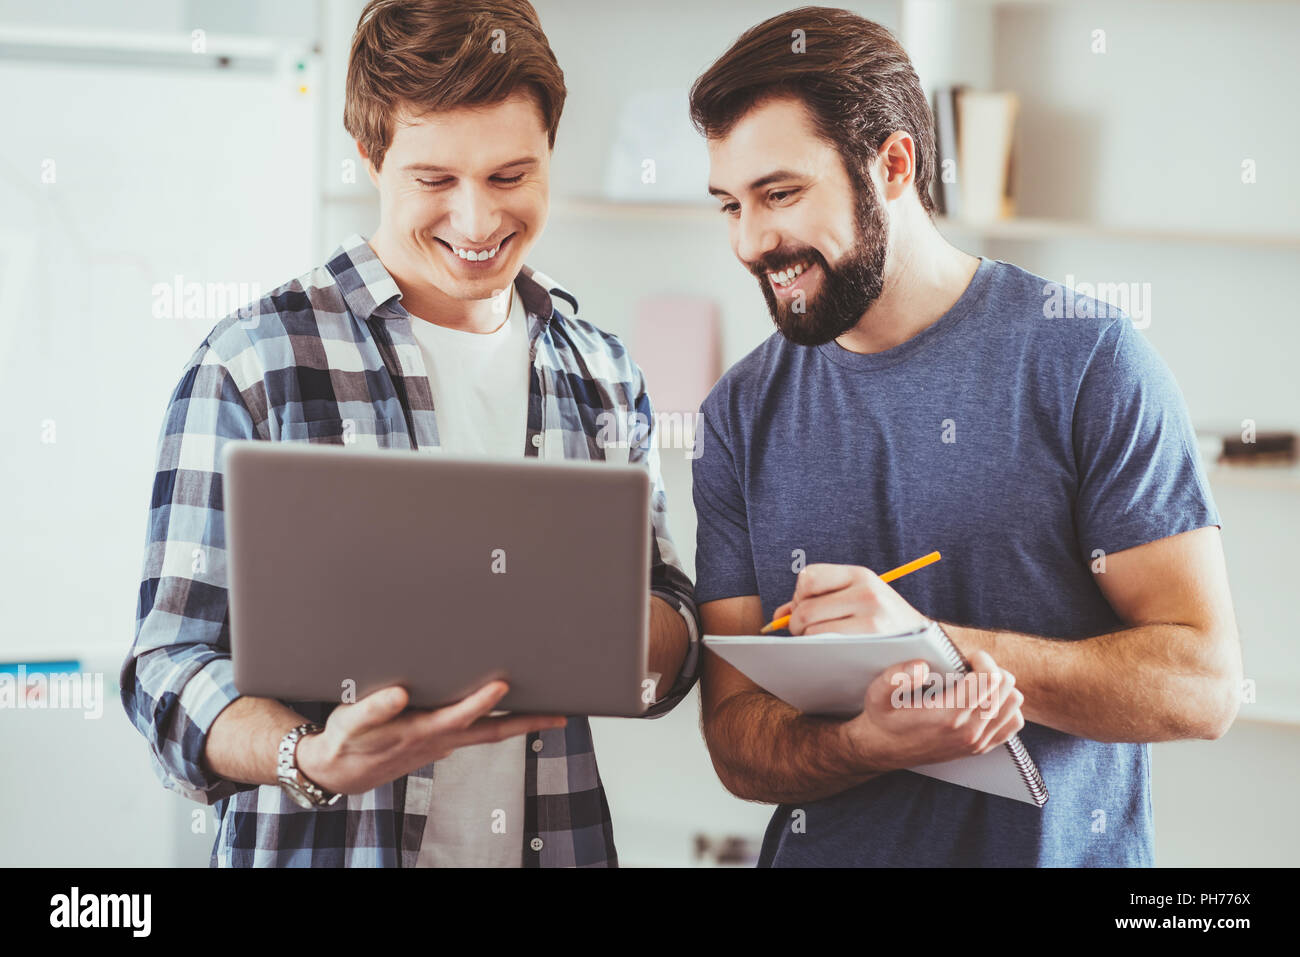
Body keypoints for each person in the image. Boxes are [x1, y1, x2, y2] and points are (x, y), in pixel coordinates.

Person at [121, 0, 700, 868]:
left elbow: (670, 647)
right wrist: (307, 756)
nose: (476, 223)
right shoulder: (254, 360)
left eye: (511, 177)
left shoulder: (602, 371)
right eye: (435, 181)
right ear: (370, 156)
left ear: (550, 151)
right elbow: (165, 667)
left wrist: (607, 622)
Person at [687, 6, 1241, 867]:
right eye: (731, 204)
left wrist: (939, 647)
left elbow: (1202, 686)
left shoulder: (1086, 360)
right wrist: (872, 739)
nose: (753, 241)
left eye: (781, 194)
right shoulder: (736, 415)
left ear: (895, 164)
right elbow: (734, 735)